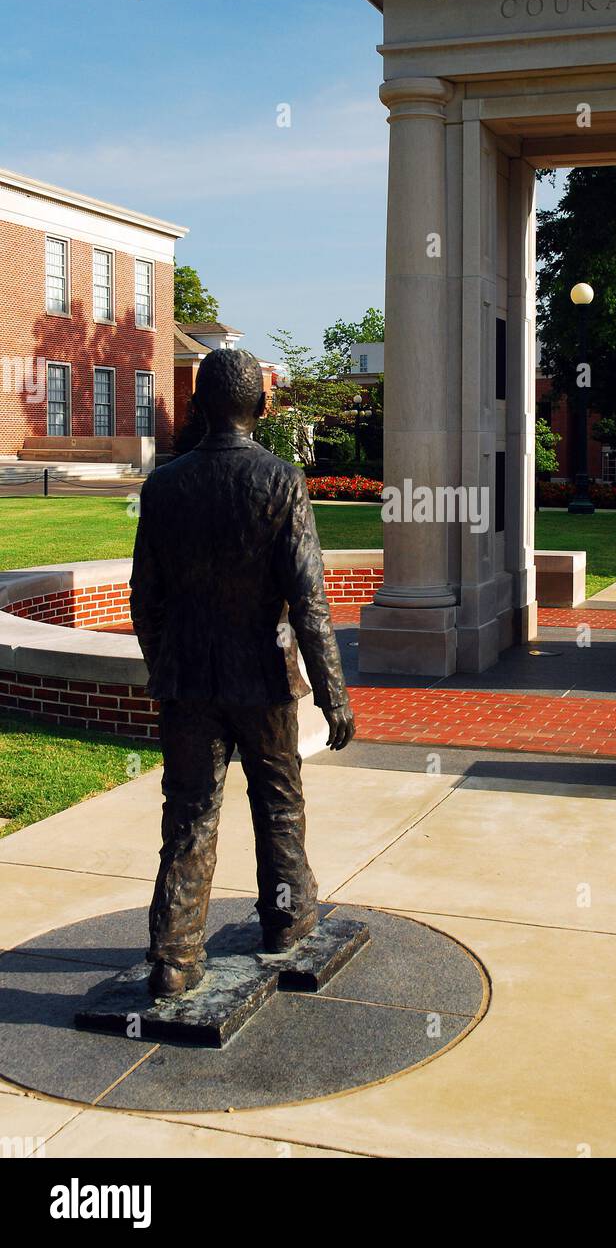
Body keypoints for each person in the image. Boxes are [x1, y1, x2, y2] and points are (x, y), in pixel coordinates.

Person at [130, 348, 354, 997]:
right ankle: (285, 920)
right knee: (279, 804)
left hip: (190, 682)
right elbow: (308, 601)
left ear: (197, 408)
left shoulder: (164, 486)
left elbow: (146, 601)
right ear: (262, 407)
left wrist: (167, 667)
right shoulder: (282, 480)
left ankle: (175, 958)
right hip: (262, 678)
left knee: (190, 816)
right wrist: (333, 696)